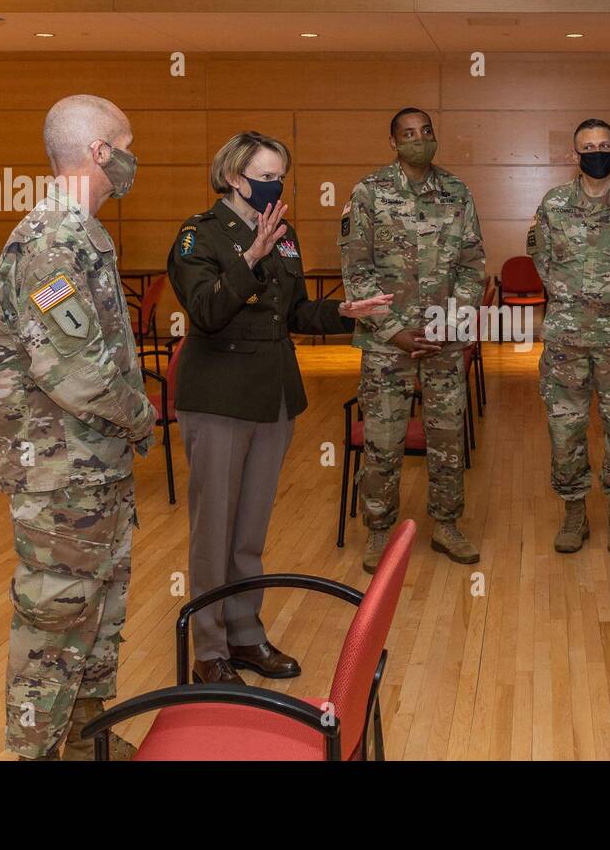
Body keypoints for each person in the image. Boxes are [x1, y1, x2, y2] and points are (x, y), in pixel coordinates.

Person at [167, 132, 391, 685]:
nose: (274, 186)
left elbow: (291, 313)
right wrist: (249, 257)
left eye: (279, 176)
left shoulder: (283, 236)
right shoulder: (199, 235)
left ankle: (245, 635)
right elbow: (205, 311)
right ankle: (210, 653)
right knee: (213, 530)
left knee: (248, 530)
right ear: (234, 178)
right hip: (219, 398)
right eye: (264, 176)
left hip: (272, 398)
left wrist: (344, 311)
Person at [0, 94, 155, 760]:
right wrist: (143, 415)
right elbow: (78, 375)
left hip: (92, 468)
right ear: (98, 152)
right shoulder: (51, 242)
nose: (133, 156)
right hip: (60, 473)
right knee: (55, 620)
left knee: (97, 612)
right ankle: (31, 752)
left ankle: (88, 741)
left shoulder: (80, 233)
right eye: (127, 141)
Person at [339, 107, 485, 572]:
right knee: (383, 439)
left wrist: (449, 322)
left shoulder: (458, 192)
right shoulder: (369, 193)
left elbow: (472, 265)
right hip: (387, 345)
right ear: (394, 142)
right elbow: (355, 269)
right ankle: (380, 532)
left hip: (444, 340)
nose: (419, 139)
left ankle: (446, 525)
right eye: (408, 134)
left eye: (425, 132)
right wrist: (392, 330)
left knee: (447, 436)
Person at [527, 118, 610, 554]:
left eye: (605, 145)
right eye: (589, 146)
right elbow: (542, 261)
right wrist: (576, 302)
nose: (597, 152)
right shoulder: (553, 204)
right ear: (575, 155)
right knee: (565, 429)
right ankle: (574, 512)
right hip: (566, 341)